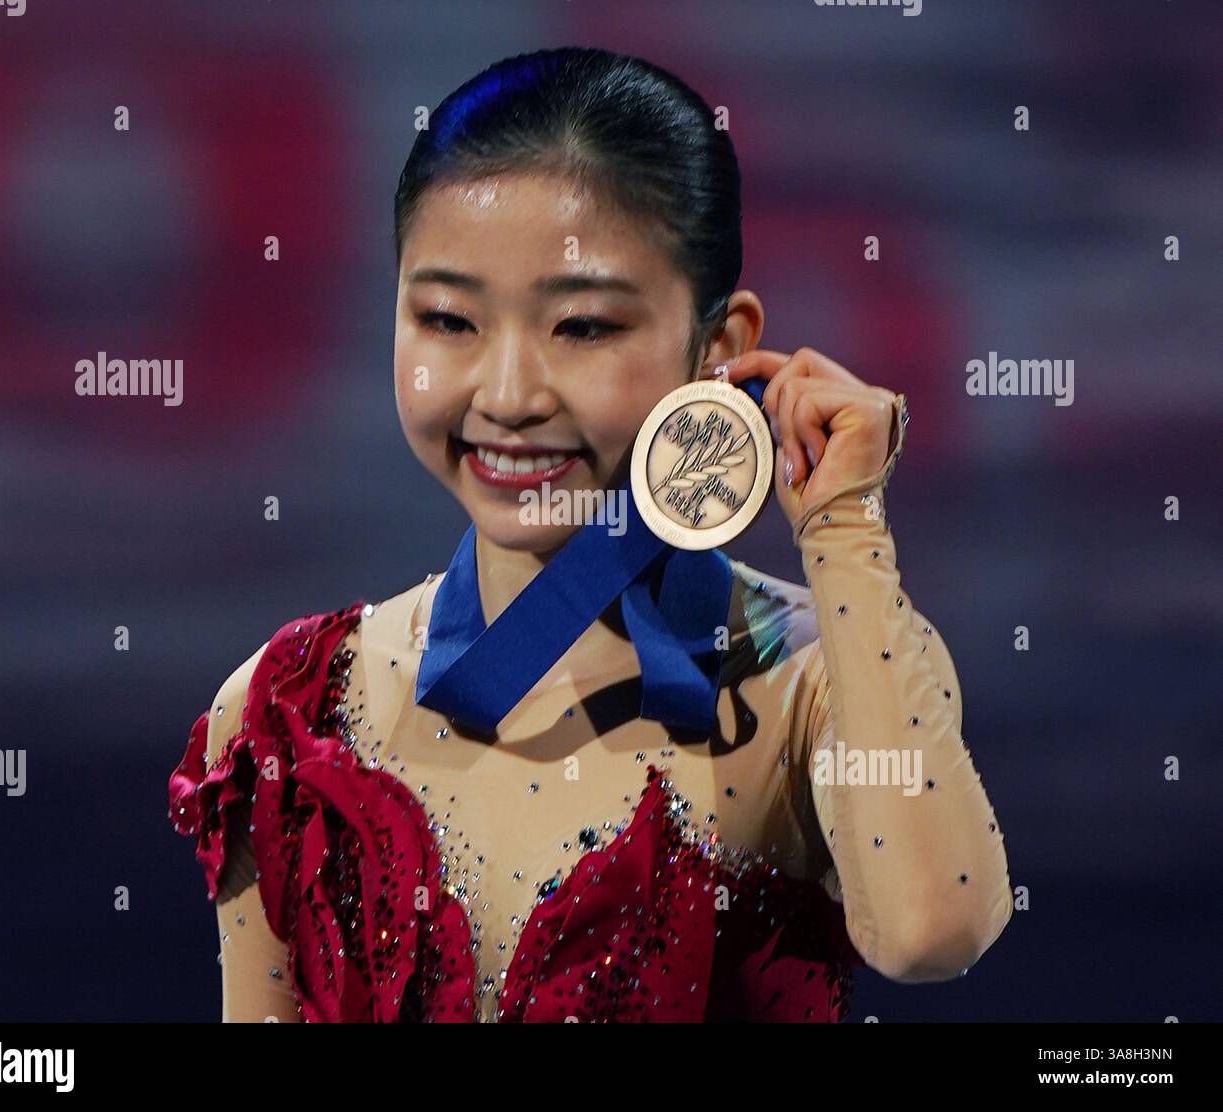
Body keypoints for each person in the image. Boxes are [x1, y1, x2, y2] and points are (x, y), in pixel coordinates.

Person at [168, 46, 1012, 1023]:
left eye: (582, 328)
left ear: (719, 347)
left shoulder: (810, 679)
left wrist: (844, 529)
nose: (510, 394)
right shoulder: (288, 709)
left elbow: (928, 927)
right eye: (447, 318)